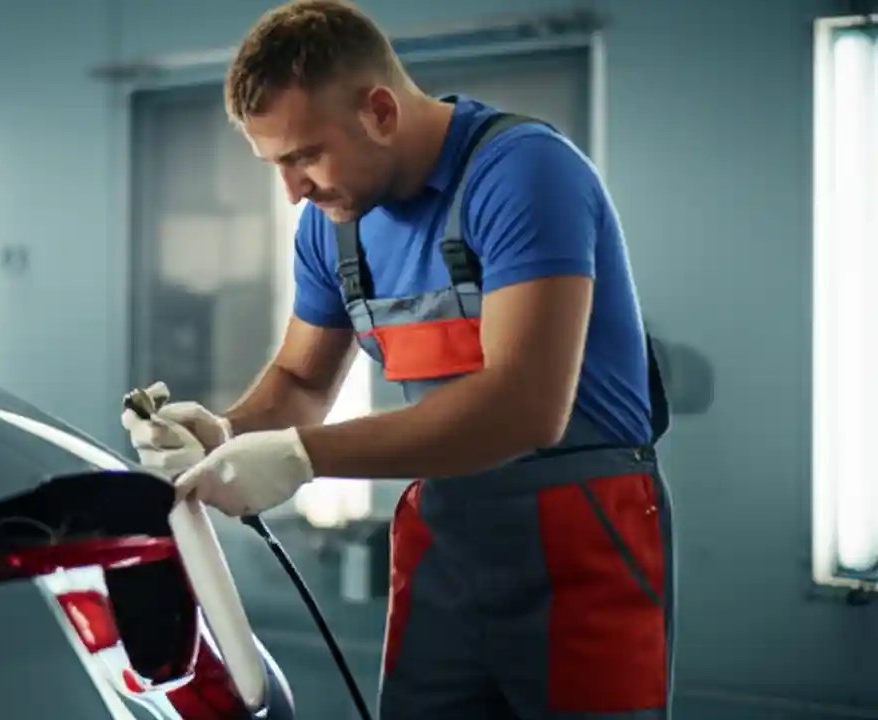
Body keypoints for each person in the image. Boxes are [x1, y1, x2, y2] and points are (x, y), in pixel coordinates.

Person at [121, 1, 675, 718]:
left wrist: (300, 455)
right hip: (449, 535)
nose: (293, 190)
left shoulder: (524, 173)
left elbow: (525, 407)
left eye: (303, 156)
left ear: (380, 111)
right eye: (276, 165)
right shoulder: (332, 225)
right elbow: (298, 379)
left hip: (582, 537)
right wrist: (222, 438)